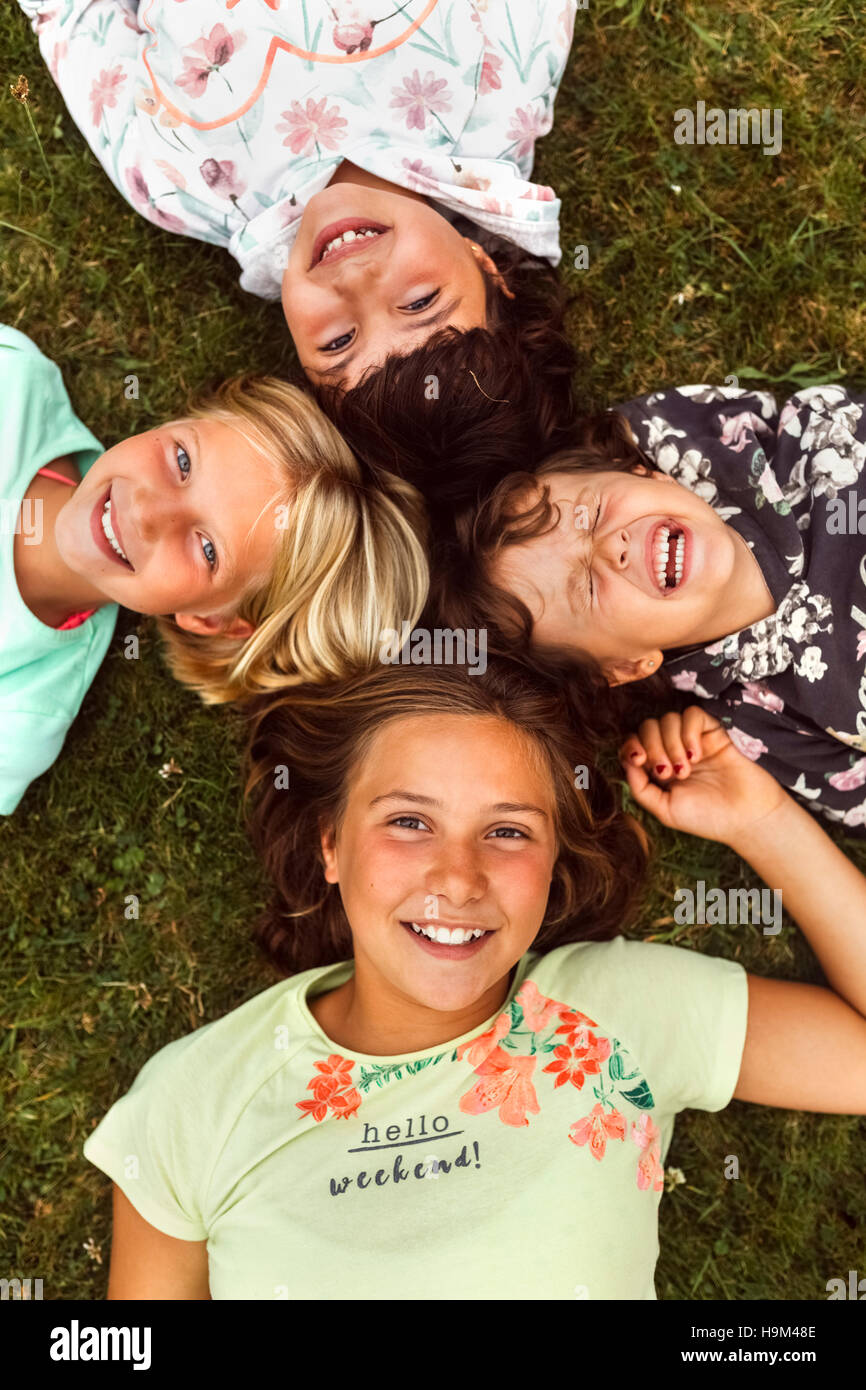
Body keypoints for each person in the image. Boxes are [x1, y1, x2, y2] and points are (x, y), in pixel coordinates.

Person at [82, 659, 866, 1298]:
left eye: (507, 831)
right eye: (409, 822)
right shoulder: (195, 1100)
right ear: (330, 846)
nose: (458, 878)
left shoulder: (615, 1016)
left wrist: (761, 822)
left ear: (554, 861)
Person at [0, 325, 428, 814]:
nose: (144, 511)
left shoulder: (23, 716)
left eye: (208, 551)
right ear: (178, 422)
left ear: (210, 621)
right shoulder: (13, 383)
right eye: (182, 460)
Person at [446, 386, 866, 831]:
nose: (614, 549)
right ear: (626, 666)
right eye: (585, 588)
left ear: (646, 474)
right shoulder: (758, 723)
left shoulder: (819, 448)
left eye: (590, 514)